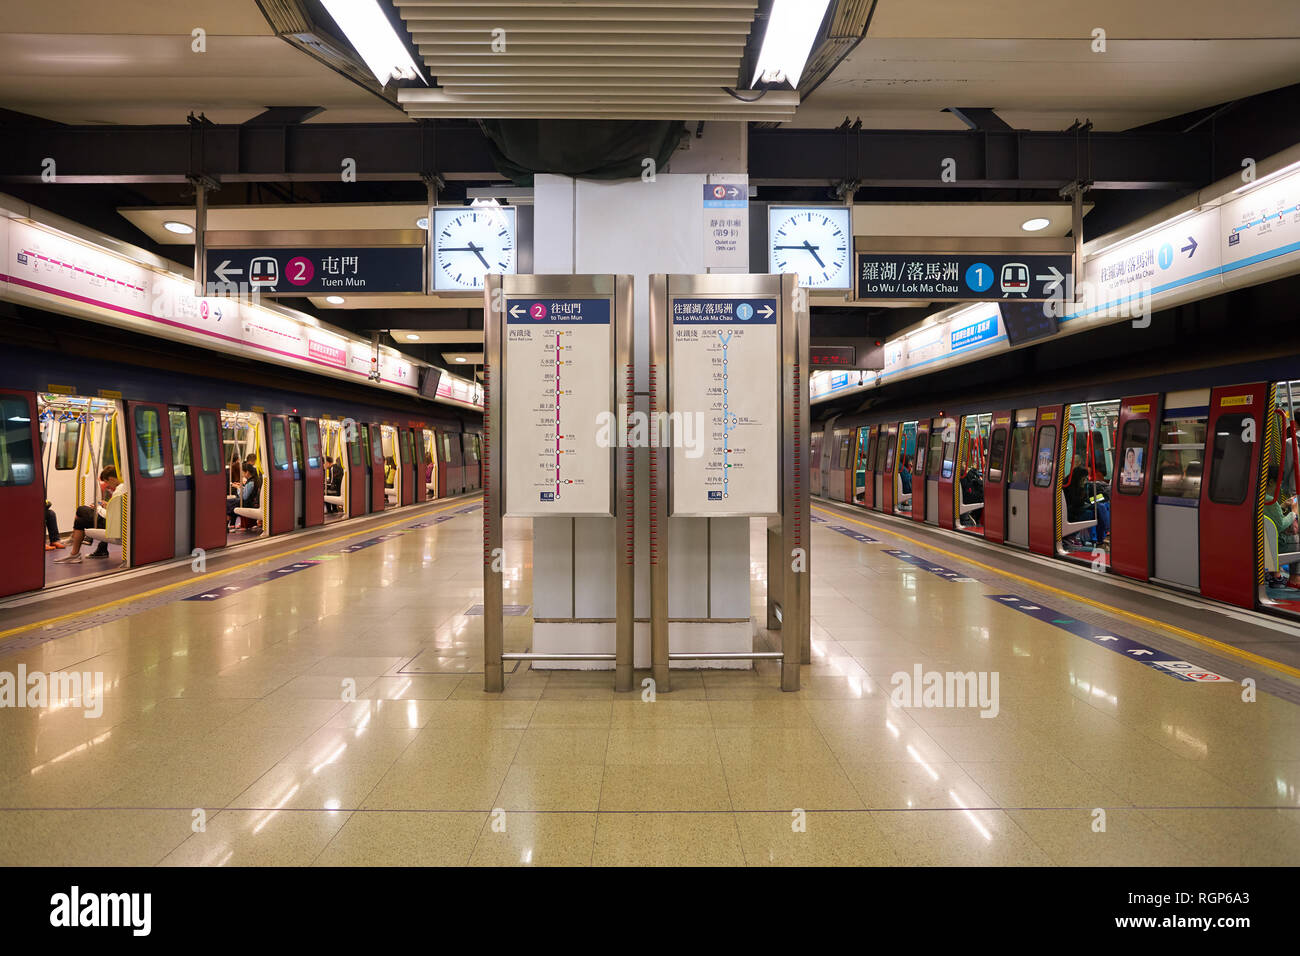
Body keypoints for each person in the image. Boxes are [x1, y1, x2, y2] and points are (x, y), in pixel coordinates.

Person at [55, 467, 123, 564]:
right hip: (122, 524)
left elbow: (111, 516)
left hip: (116, 527)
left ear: (111, 479)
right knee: (81, 521)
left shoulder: (119, 491)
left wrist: (98, 509)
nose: (108, 486)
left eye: (107, 483)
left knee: (81, 510)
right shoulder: (126, 487)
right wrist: (108, 505)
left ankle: (74, 542)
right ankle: (82, 547)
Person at [1264, 464, 1300, 589]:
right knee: (1297, 540)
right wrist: (1293, 513)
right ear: (1271, 482)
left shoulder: (1262, 498)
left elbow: (1272, 515)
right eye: (1278, 482)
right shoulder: (1270, 502)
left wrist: (1283, 505)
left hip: (1264, 541)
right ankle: (1295, 578)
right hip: (1275, 542)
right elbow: (1280, 525)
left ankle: (1274, 573)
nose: (1280, 486)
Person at [1064, 454, 1110, 548]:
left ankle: (1101, 538)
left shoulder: (1083, 486)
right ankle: (1106, 534)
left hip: (1081, 506)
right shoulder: (1069, 486)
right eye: (1084, 478)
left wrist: (1088, 500)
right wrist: (1086, 500)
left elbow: (1086, 500)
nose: (1085, 480)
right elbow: (1076, 502)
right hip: (1073, 509)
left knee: (1099, 509)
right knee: (1098, 508)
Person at [227, 462, 260, 529]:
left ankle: (230, 524)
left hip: (248, 503)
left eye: (242, 472)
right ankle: (232, 524)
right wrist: (241, 486)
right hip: (250, 502)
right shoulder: (253, 481)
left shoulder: (251, 482)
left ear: (247, 472)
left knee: (228, 503)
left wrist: (238, 488)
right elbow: (247, 492)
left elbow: (244, 496)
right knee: (231, 503)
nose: (241, 474)